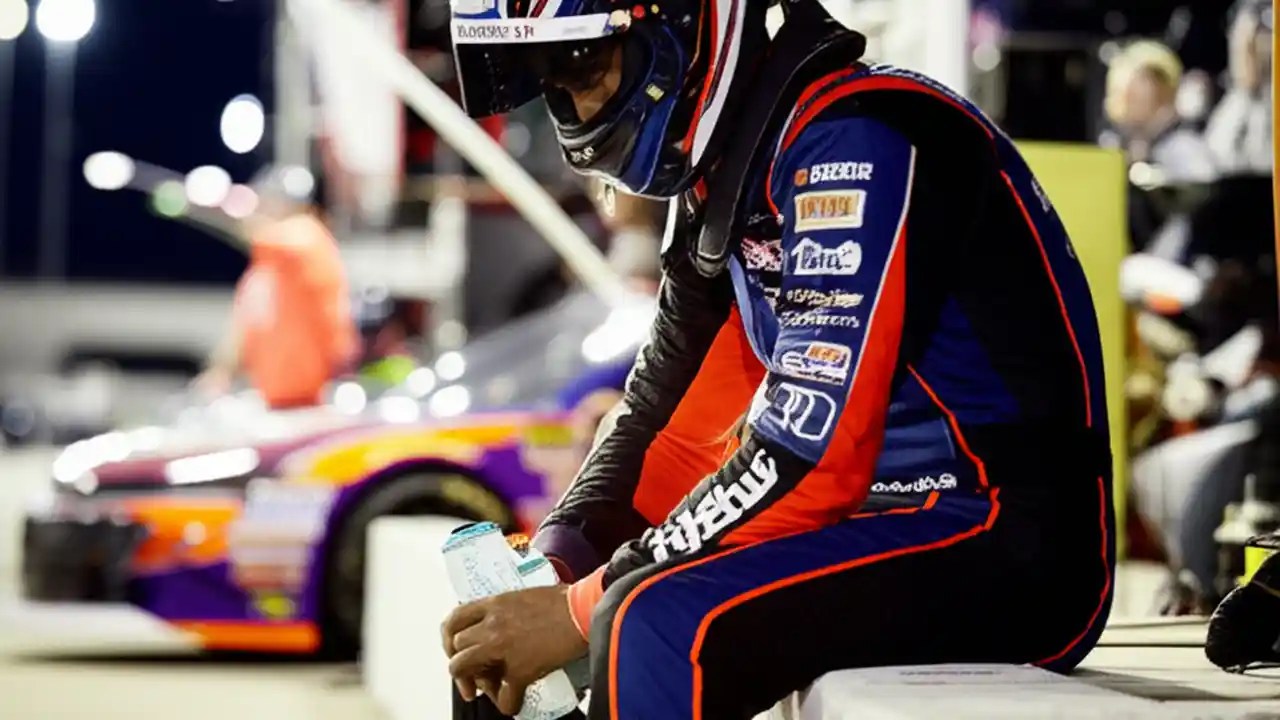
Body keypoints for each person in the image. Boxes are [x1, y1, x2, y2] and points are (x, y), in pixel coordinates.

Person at [441, 0, 1115, 717]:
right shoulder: (726, 171)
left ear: (678, 26)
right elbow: (662, 433)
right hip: (877, 524)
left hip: (1006, 540)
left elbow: (810, 453)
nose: (575, 102)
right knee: (496, 635)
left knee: (652, 620)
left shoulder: (861, 133)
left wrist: (576, 608)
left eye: (581, 63)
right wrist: (552, 564)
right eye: (548, 78)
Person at [193, 169, 358, 409]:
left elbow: (270, 237)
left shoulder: (308, 238)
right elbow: (243, 327)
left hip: (309, 398)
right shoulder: (264, 269)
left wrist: (221, 203)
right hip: (270, 396)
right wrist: (221, 373)